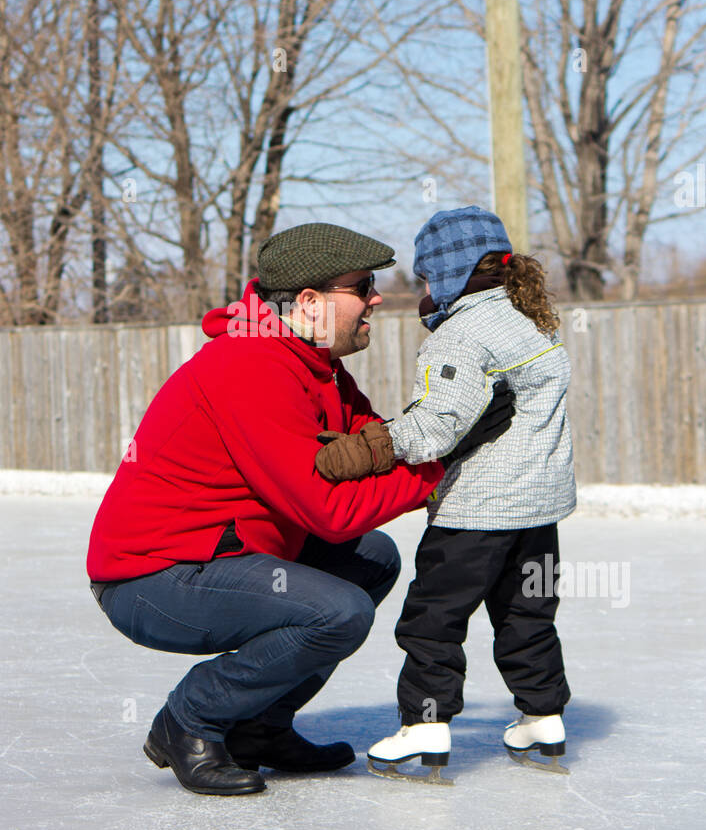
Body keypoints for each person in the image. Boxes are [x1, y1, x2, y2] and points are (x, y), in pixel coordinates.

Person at [86, 222, 513, 797]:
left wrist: (438, 428)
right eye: (363, 287)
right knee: (337, 612)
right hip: (154, 576)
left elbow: (371, 440)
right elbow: (329, 512)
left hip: (228, 551)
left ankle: (261, 726)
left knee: (373, 559)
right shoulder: (249, 367)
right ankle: (190, 719)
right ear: (310, 302)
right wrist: (436, 469)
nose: (376, 299)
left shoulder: (315, 364)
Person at [315, 206, 575, 781]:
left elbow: (437, 426)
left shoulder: (461, 335)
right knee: (527, 615)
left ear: (454, 273)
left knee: (434, 619)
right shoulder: (528, 320)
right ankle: (543, 716)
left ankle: (425, 729)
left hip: (476, 512)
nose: (423, 293)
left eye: (427, 279)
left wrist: (365, 449)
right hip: (537, 512)